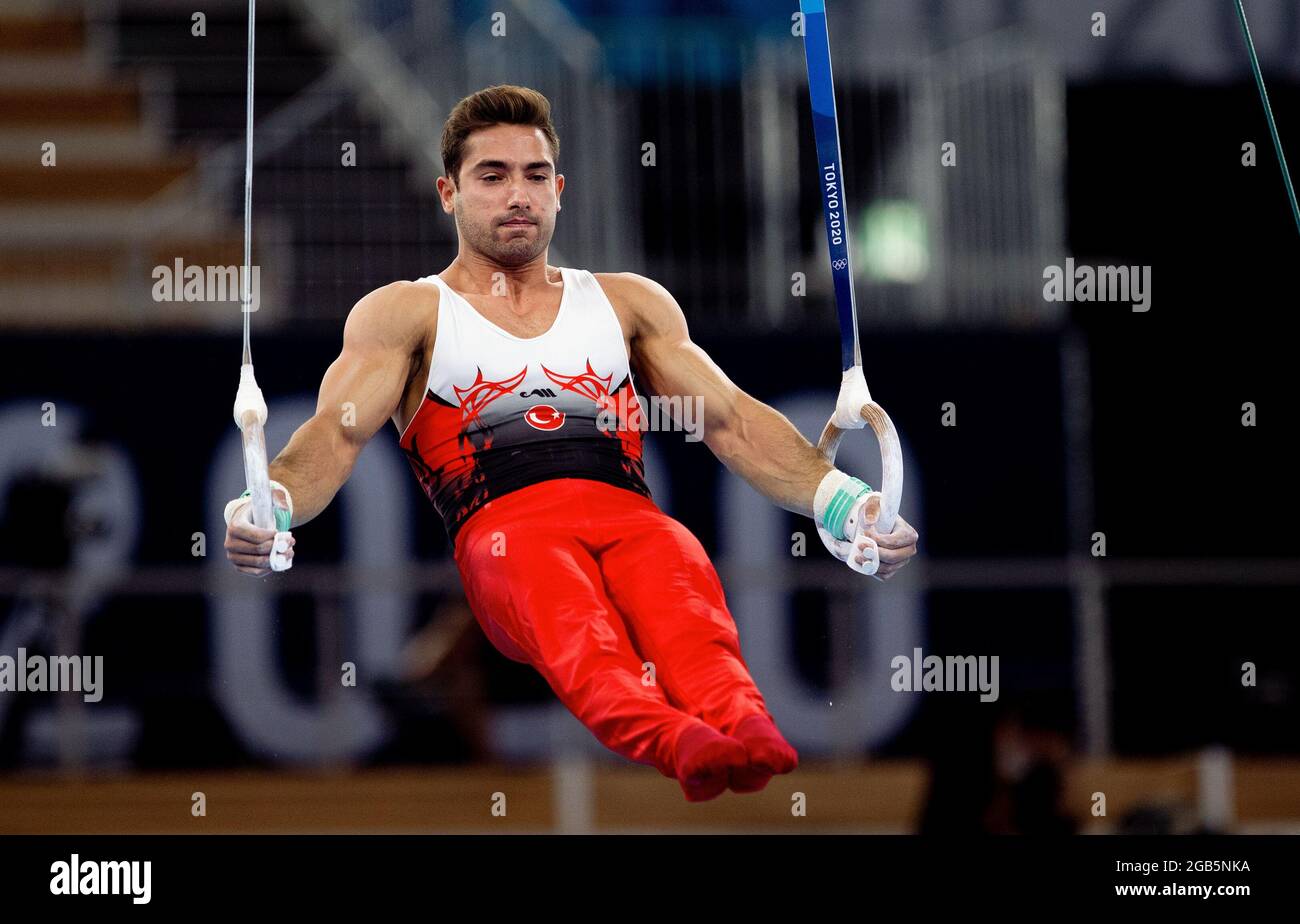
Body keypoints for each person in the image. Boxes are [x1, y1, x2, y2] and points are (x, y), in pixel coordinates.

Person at [224, 85, 919, 801]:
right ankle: (676, 739)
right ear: (448, 194)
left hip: (629, 518)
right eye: (491, 176)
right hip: (505, 538)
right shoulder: (407, 313)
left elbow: (733, 421)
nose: (516, 194)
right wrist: (271, 500)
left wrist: (843, 503)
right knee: (579, 630)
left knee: (681, 585)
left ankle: (744, 721)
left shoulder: (625, 302)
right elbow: (332, 439)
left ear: (559, 190)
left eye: (533, 176)